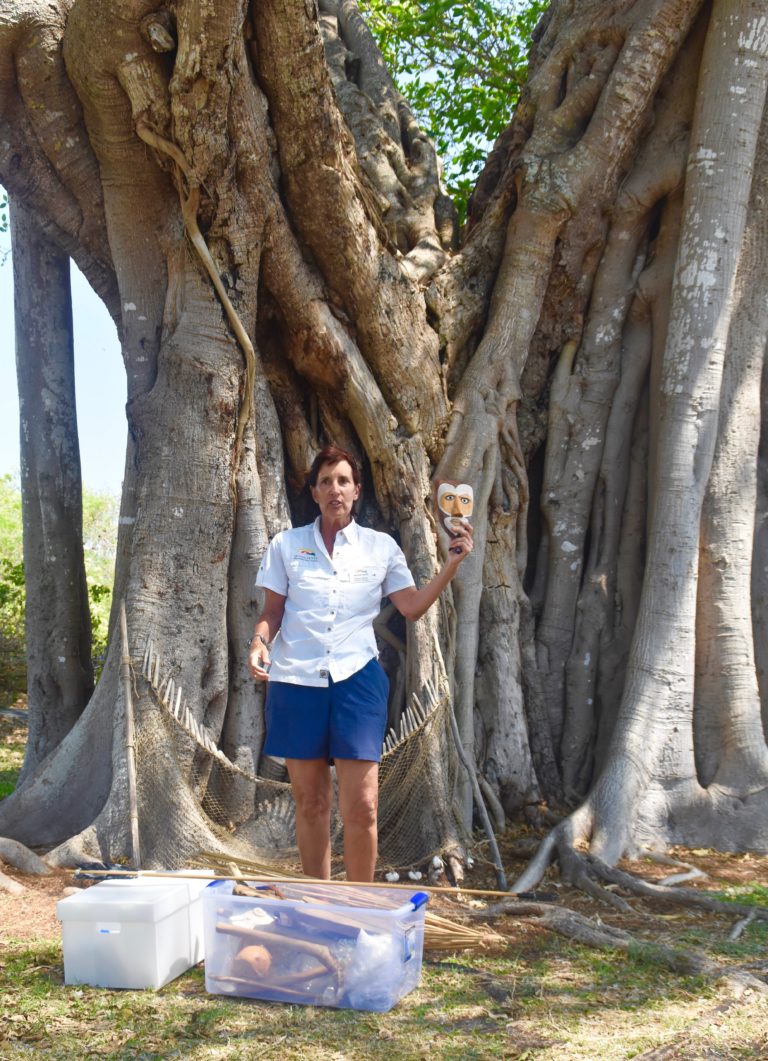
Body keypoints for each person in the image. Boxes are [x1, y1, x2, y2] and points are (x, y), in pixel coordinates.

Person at [248, 445, 473, 882]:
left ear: (356, 491)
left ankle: (359, 908)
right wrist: (259, 642)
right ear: (313, 492)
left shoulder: (380, 548)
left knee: (364, 805)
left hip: (357, 682)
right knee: (310, 802)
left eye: (344, 481)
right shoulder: (287, 545)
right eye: (326, 481)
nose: (335, 489)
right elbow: (271, 611)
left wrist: (451, 565)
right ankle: (320, 901)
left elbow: (410, 607)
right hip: (295, 682)